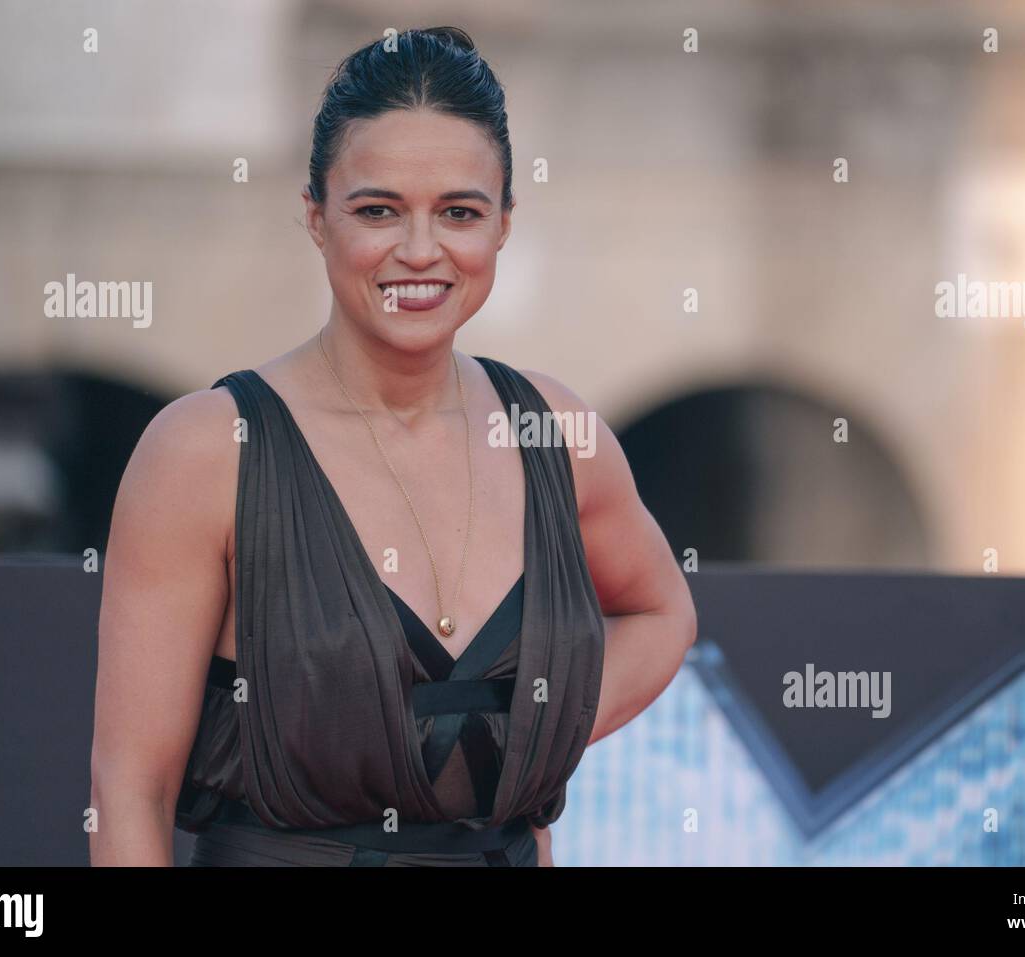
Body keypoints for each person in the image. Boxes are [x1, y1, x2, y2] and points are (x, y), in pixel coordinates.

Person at [88, 25, 696, 867]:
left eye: (459, 212)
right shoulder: (207, 451)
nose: (419, 251)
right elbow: (130, 790)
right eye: (378, 210)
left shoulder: (556, 433)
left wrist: (522, 733)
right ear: (315, 217)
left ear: (504, 225)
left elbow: (663, 611)